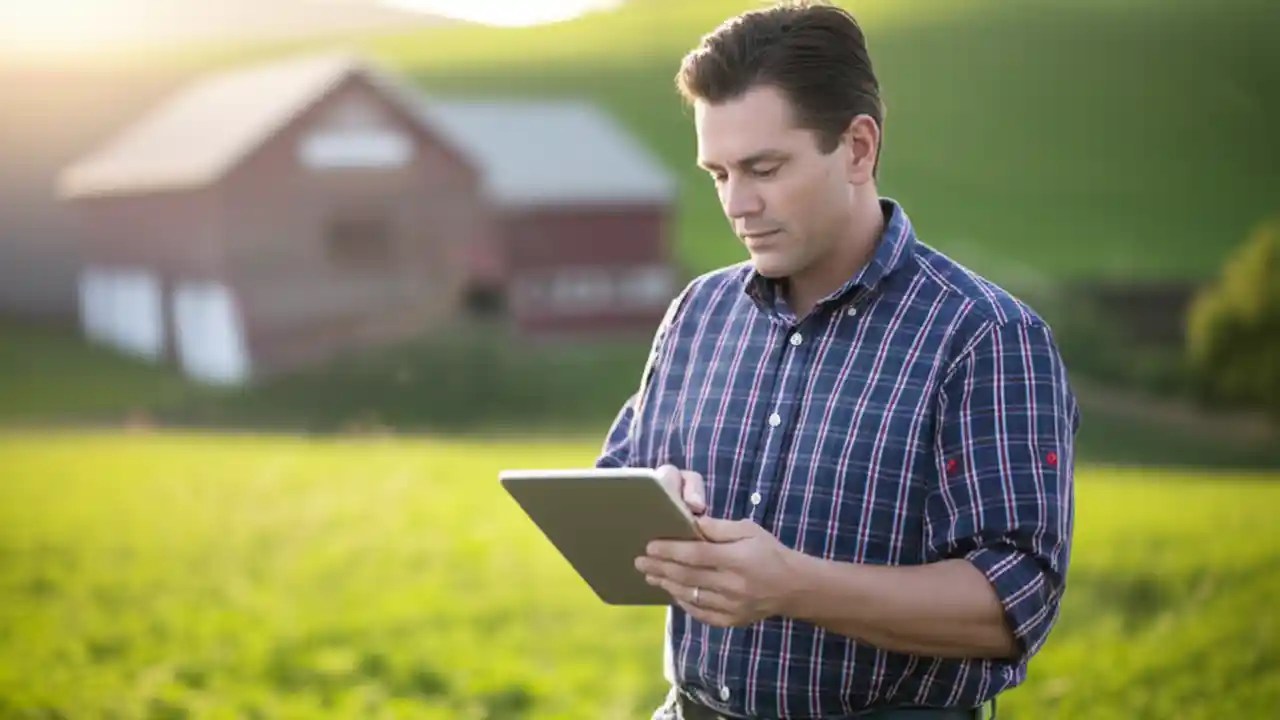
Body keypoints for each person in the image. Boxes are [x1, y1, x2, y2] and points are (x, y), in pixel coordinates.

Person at [595, 2, 1079, 718]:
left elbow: (1016, 602)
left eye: (764, 168)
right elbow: (616, 485)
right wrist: (658, 497)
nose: (738, 203)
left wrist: (792, 585)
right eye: (718, 173)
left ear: (857, 148)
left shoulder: (983, 335)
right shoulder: (698, 313)